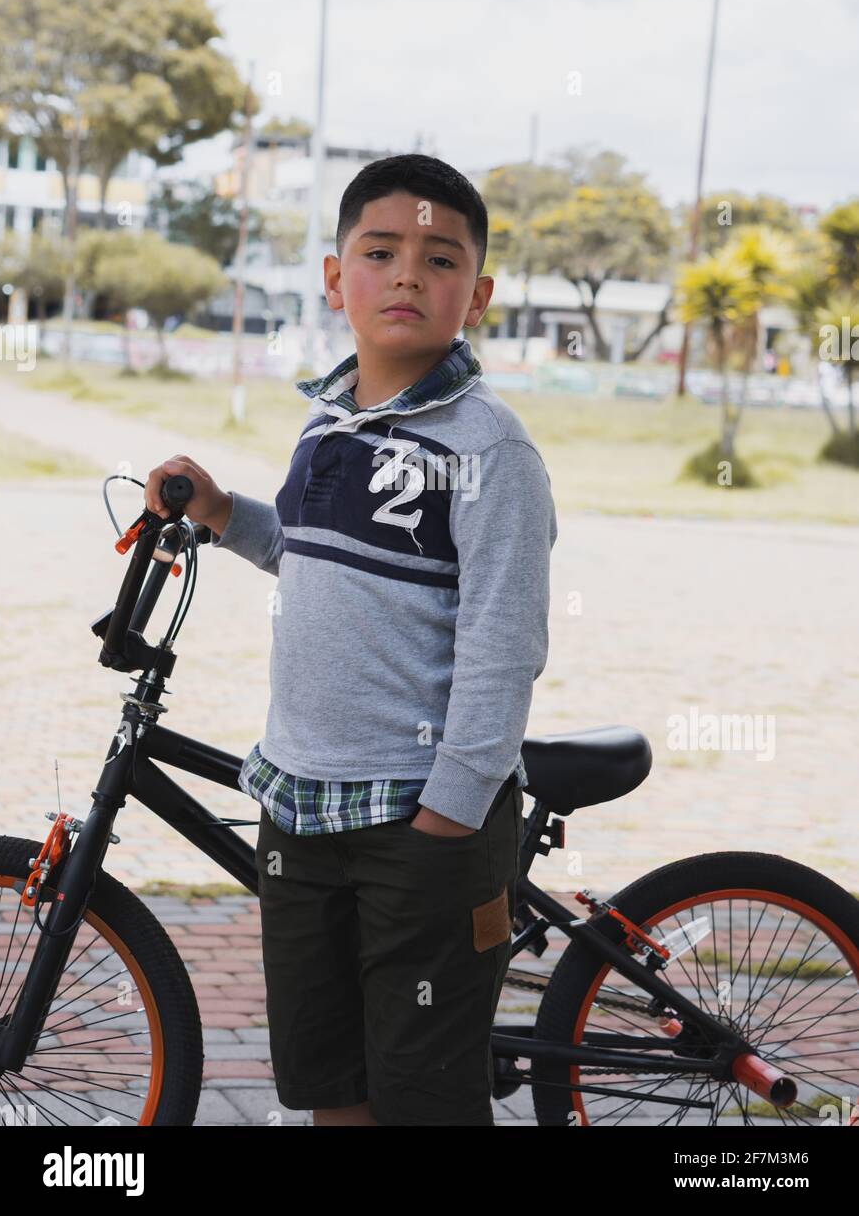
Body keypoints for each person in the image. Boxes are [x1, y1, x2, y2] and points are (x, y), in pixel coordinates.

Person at [144, 153, 558, 1126]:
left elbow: (503, 645)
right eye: (379, 251)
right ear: (335, 278)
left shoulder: (487, 449)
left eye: (438, 257)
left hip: (417, 823)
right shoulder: (328, 426)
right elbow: (307, 550)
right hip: (297, 807)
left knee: (422, 1097)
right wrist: (222, 511)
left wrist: (449, 818)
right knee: (328, 1084)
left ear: (478, 292)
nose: (407, 274)